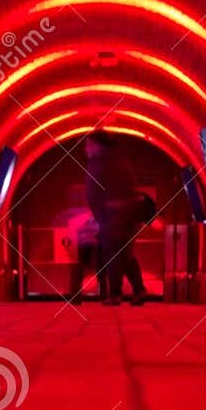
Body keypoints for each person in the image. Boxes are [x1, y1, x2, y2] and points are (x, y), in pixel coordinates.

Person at [83, 131, 148, 306]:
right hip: (118, 215)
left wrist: (111, 212)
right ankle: (138, 290)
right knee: (123, 255)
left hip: (115, 216)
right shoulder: (116, 159)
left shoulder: (105, 160)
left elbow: (111, 189)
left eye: (88, 144)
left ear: (98, 145)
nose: (86, 149)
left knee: (114, 254)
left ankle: (115, 294)